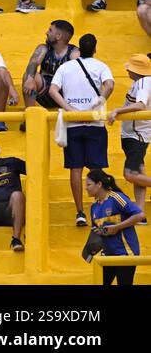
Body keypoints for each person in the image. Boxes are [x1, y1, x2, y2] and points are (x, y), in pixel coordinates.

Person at [51, 33, 115, 226]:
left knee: (75, 168)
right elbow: (110, 85)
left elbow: (53, 90)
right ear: (95, 49)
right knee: (96, 167)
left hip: (73, 122)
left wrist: (69, 109)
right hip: (94, 122)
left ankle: (80, 212)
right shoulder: (101, 66)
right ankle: (100, 205)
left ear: (77, 49)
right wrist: (98, 102)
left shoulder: (65, 67)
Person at [108, 53, 151, 209]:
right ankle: (140, 212)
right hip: (136, 134)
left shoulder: (143, 83)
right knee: (139, 173)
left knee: (130, 174)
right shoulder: (145, 82)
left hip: (136, 134)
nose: (127, 71)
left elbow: (140, 105)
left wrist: (117, 110)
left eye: (130, 68)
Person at [87, 168, 143, 285]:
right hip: (107, 255)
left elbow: (140, 215)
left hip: (125, 254)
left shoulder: (116, 198)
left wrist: (117, 227)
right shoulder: (93, 207)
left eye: (88, 184)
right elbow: (96, 230)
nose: (86, 188)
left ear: (99, 184)